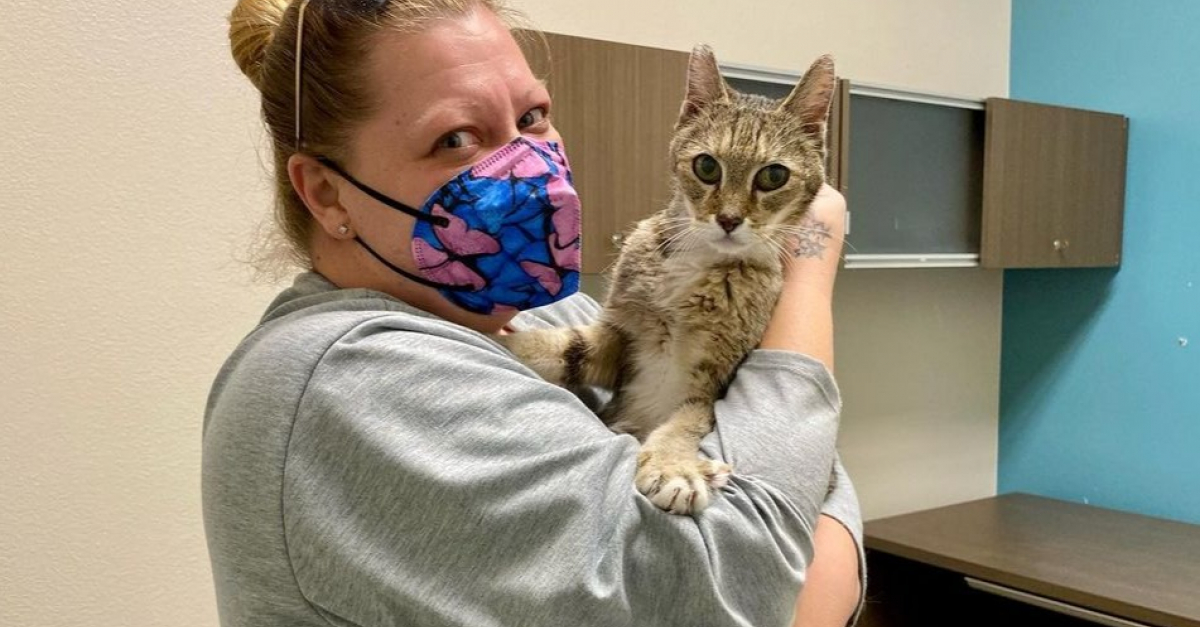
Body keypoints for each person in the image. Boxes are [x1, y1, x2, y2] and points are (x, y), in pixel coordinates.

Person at [204, 0, 865, 625]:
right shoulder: (351, 380)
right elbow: (748, 591)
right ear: (326, 192)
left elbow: (793, 478)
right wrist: (809, 265)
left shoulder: (544, 313)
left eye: (531, 118)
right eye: (456, 137)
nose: (529, 165)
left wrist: (803, 488)